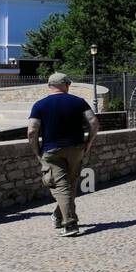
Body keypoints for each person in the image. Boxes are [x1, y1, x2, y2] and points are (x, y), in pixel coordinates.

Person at [27, 72, 99, 237]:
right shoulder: (78, 102)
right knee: (70, 185)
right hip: (76, 148)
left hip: (51, 150)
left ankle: (70, 224)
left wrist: (37, 152)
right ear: (65, 85)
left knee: (61, 186)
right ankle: (59, 216)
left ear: (50, 86)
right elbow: (94, 122)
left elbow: (32, 131)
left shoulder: (39, 105)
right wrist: (88, 142)